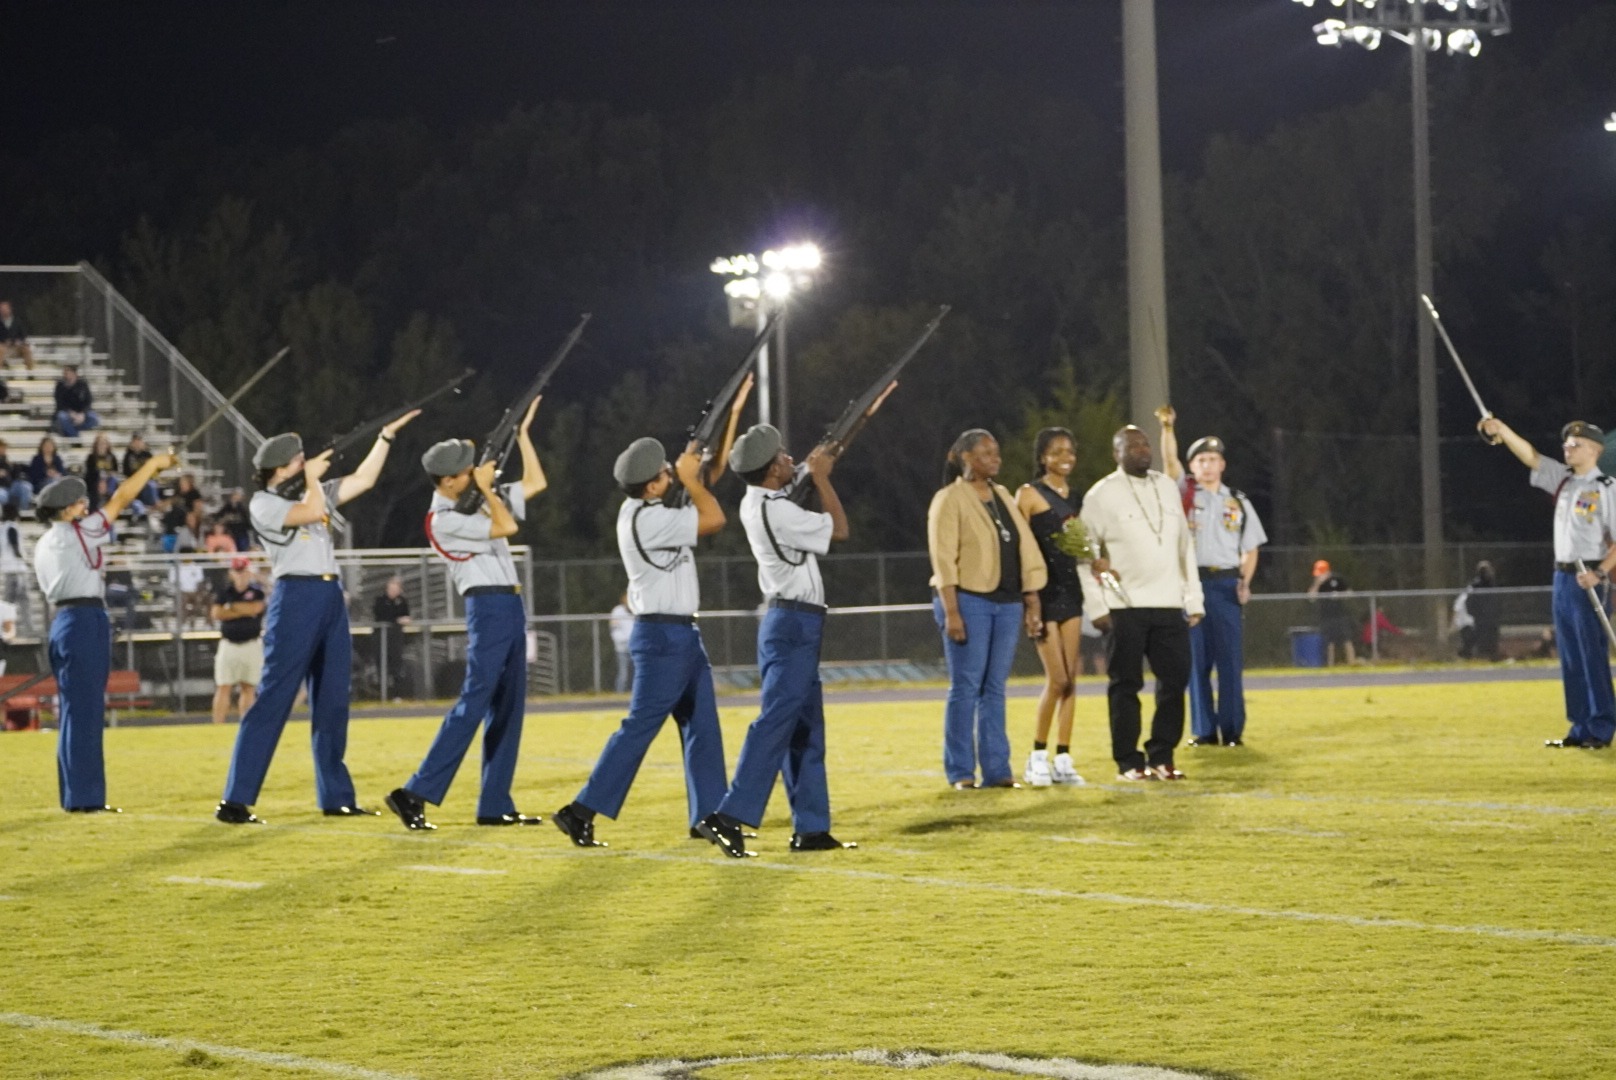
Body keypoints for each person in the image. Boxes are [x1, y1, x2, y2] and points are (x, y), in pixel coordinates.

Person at [554, 382, 749, 848]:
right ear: (651, 485)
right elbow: (715, 517)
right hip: (663, 636)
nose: (670, 472)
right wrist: (695, 478)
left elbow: (711, 474)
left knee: (704, 729)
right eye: (665, 471)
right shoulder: (647, 519)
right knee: (640, 726)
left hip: (680, 633)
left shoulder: (651, 506)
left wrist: (733, 411)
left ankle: (709, 816)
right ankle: (580, 809)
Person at [215, 410, 418, 824]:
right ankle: (235, 799)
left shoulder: (308, 490)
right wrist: (311, 477)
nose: (302, 465)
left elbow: (363, 480)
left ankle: (336, 797)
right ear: (278, 468)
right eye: (296, 461)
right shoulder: (264, 503)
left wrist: (385, 438)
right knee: (274, 694)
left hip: (328, 594)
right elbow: (308, 514)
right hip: (296, 594)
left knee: (332, 698)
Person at [697, 423, 859, 858]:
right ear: (770, 470)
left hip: (792, 622)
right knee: (775, 723)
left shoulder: (761, 500)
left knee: (805, 727)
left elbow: (790, 489)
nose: (791, 459)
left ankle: (810, 828)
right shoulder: (778, 510)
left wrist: (810, 468)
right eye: (784, 457)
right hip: (793, 624)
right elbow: (839, 529)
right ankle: (727, 816)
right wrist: (822, 478)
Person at [385, 400, 547, 831]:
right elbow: (507, 527)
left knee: (510, 707)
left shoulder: (472, 498)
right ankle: (414, 792)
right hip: (487, 606)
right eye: (466, 471)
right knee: (474, 701)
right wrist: (489, 489)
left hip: (510, 603)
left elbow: (536, 482)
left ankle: (495, 803)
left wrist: (524, 436)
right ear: (446, 480)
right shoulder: (442, 518)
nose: (474, 472)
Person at [33, 452, 177, 811]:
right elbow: (122, 497)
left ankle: (73, 794)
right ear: (66, 510)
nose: (84, 506)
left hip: (63, 621)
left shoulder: (44, 541)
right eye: (79, 502)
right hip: (84, 620)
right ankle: (86, 799)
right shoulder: (77, 532)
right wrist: (152, 466)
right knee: (87, 713)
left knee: (72, 711)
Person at [1480, 416, 1616, 749]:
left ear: (1594, 450)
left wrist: (1599, 573)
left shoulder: (1606, 488)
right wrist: (1503, 431)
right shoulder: (1563, 481)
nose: (1567, 448)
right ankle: (1580, 727)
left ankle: (1601, 727)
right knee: (1569, 655)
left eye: (1575, 444)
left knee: (1591, 655)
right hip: (1562, 577)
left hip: (1589, 580)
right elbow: (1531, 457)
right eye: (1566, 443)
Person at [1078, 424, 1203, 782]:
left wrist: (1193, 598)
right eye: (1130, 445)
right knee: (1125, 685)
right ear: (1115, 453)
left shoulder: (1166, 486)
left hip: (1168, 604)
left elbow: (1184, 546)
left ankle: (1162, 755)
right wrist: (1098, 608)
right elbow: (1084, 557)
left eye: (1144, 443)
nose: (1141, 449)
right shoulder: (1101, 494)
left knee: (1175, 681)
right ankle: (1128, 762)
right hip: (1123, 606)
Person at [927, 429, 1047, 790]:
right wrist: (952, 611)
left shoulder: (1003, 496)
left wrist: (1032, 600)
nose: (995, 458)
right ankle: (961, 772)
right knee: (965, 687)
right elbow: (943, 558)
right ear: (965, 458)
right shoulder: (949, 499)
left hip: (1007, 603)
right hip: (969, 601)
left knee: (995, 688)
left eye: (996, 452)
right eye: (986, 453)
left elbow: (1024, 548)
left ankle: (998, 771)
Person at [1157, 411, 1268, 747]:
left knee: (1230, 664)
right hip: (1193, 587)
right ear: (1192, 467)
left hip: (1225, 586)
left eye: (1213, 459)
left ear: (1222, 465)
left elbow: (1250, 548)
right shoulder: (1185, 496)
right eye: (1201, 459)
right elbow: (1168, 459)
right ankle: (1204, 731)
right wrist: (1167, 427)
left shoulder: (1238, 502)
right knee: (1196, 663)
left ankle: (1232, 730)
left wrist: (1245, 581)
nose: (1207, 465)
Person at [1014, 427, 1087, 786]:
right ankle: (1036, 756)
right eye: (1056, 452)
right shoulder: (1028, 494)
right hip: (1041, 593)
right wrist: (1029, 600)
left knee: (1072, 681)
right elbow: (1018, 548)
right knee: (1056, 679)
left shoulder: (1075, 496)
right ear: (1042, 457)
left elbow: (1076, 547)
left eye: (1070, 451)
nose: (1065, 457)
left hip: (1071, 591)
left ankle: (1063, 758)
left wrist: (1096, 560)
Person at [211, 557, 265, 725]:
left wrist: (231, 608)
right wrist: (244, 610)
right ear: (231, 573)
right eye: (237, 571)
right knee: (223, 686)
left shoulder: (256, 591)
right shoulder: (224, 591)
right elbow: (217, 613)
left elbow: (256, 608)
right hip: (229, 644)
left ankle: (247, 725)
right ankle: (218, 724)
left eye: (243, 571)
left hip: (251, 643)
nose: (241, 575)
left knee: (249, 686)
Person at [1307, 560, 1356, 666]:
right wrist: (1318, 583)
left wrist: (1340, 595)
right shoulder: (1317, 583)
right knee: (1330, 642)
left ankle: (1352, 663)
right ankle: (1330, 665)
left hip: (1340, 614)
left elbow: (1350, 593)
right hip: (1326, 616)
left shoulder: (1337, 579)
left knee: (1347, 640)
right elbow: (1311, 598)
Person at [371, 576, 412, 697]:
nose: (393, 591)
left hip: (395, 638)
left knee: (396, 666)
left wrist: (404, 620)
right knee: (382, 665)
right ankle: (382, 695)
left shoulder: (402, 601)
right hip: (381, 637)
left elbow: (406, 615)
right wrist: (396, 619)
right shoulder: (380, 600)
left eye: (396, 589)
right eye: (391, 588)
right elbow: (381, 615)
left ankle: (397, 695)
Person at [0, 508, 34, 634]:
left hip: (7, 569)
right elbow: (14, 544)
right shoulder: (12, 527)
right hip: (17, 568)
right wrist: (24, 558)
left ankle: (6, 629)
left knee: (9, 601)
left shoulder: (2, 529)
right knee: (24, 600)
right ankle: (27, 628)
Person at [52, 365, 100, 438]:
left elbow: (88, 401)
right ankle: (75, 437)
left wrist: (82, 414)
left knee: (94, 418)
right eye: (64, 372)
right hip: (67, 412)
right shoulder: (60, 385)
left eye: (68, 372)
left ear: (74, 373)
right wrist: (71, 413)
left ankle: (70, 429)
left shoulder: (83, 384)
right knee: (62, 417)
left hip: (81, 413)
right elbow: (59, 403)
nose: (65, 374)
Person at [82, 433, 121, 512]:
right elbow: (90, 473)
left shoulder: (112, 457)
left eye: (104, 443)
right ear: (96, 445)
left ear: (107, 445)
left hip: (109, 482)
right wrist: (101, 479)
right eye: (100, 443)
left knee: (113, 480)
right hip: (95, 482)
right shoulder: (91, 457)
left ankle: (108, 498)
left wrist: (105, 478)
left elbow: (115, 471)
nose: (102, 445)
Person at [122, 434, 159, 509]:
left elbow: (154, 472)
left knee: (151, 485)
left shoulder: (148, 455)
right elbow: (126, 472)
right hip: (134, 482)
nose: (137, 444)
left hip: (146, 482)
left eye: (139, 441)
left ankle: (153, 507)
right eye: (135, 441)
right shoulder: (128, 456)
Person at [0, 300, 37, 370]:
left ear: (10, 309)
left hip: (16, 347)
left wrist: (17, 341)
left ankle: (30, 372)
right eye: (1, 309)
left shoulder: (17, 322)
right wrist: (4, 342)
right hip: (3, 348)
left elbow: (23, 335)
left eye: (5, 309)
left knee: (26, 349)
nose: (3, 311)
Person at [608, 592, 633, 694]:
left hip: (635, 647)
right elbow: (614, 630)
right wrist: (625, 639)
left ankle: (636, 694)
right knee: (623, 673)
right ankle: (619, 694)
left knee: (638, 673)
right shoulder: (617, 611)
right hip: (622, 647)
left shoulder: (638, 610)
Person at [0, 439, 32, 513]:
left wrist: (12, 467)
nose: (3, 450)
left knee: (26, 487)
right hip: (1, 488)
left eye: (4, 448)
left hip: (10, 485)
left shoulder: (6, 461)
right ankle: (6, 516)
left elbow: (15, 475)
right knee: (2, 495)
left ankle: (23, 512)